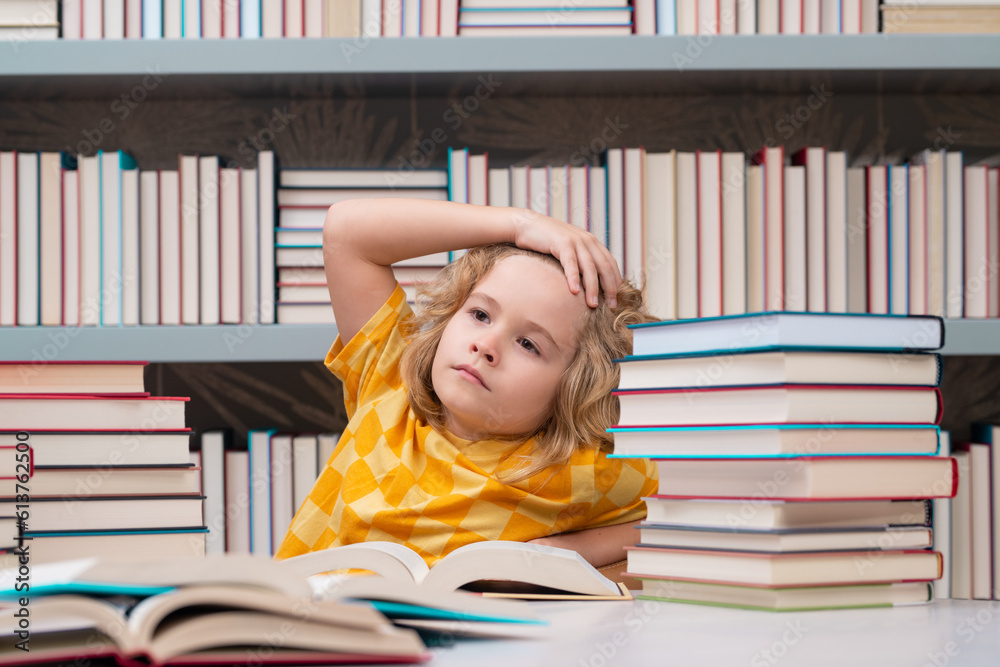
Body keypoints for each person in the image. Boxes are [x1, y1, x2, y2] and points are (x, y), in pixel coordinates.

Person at [275, 197, 658, 568]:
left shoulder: (581, 471)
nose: (486, 345)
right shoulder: (389, 379)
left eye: (528, 344)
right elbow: (346, 231)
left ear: (576, 386)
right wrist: (520, 224)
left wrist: (578, 549)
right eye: (480, 314)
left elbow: (684, 511)